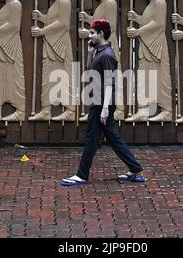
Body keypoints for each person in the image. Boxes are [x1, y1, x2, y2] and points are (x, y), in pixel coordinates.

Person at [61, 19, 146, 187]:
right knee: (113, 137)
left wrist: (105, 108)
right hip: (99, 101)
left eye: (92, 32)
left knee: (92, 138)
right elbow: (89, 72)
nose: (89, 35)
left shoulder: (107, 55)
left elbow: (109, 83)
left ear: (101, 34)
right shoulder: (100, 52)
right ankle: (134, 168)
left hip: (102, 102)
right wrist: (90, 53)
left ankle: (81, 175)